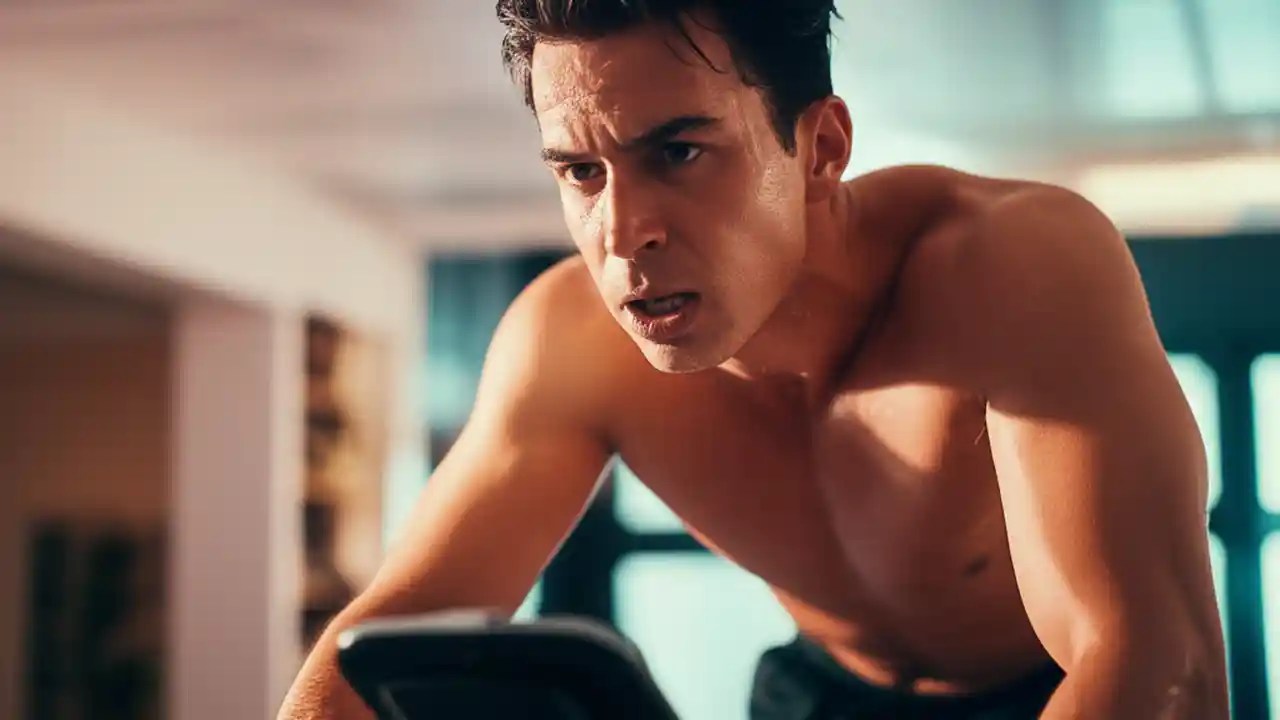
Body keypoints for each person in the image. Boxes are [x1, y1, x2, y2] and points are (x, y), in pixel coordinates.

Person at [279, 1, 1230, 718]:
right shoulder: (566, 341)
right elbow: (375, 653)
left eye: (680, 153)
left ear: (820, 146)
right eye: (580, 171)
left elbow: (1156, 664)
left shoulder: (1013, 265)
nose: (624, 234)